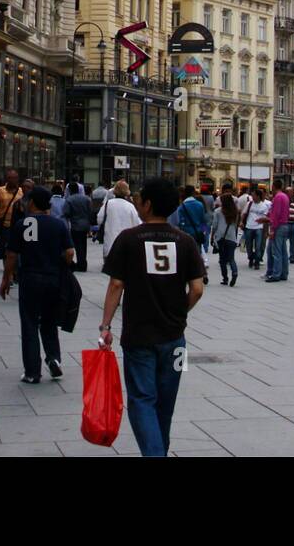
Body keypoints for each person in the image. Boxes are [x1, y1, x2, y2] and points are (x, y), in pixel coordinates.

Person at [98, 177, 206, 458]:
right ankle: (159, 450)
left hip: (139, 335)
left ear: (147, 204)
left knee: (142, 399)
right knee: (166, 402)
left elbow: (116, 285)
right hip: (176, 338)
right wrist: (179, 311)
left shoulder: (129, 239)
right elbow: (197, 289)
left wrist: (106, 325)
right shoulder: (185, 241)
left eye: (139, 198)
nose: (136, 201)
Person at [1, 186, 74, 382]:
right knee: (49, 321)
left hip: (30, 278)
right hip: (53, 278)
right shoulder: (58, 225)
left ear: (32, 203)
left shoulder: (22, 224)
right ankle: (54, 359)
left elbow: (11, 255)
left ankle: (32, 372)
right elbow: (69, 253)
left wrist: (6, 278)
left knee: (30, 323)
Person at [97, 179, 141, 259]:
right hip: (126, 245)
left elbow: (99, 219)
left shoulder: (108, 204)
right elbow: (137, 224)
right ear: (127, 191)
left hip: (110, 244)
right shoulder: (130, 206)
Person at [175, 186, 210, 283]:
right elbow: (204, 220)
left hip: (186, 233)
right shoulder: (199, 205)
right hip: (198, 233)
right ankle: (203, 273)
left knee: (185, 255)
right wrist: (206, 233)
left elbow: (180, 222)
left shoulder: (182, 206)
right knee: (198, 254)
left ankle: (187, 275)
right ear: (193, 193)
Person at [62, 180, 93, 272]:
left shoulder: (69, 200)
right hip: (85, 224)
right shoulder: (86, 199)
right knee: (83, 244)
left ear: (70, 190)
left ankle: (81, 264)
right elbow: (90, 211)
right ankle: (83, 262)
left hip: (75, 225)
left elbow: (66, 212)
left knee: (77, 245)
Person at [211, 192, 241, 286]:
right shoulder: (235, 212)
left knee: (222, 260)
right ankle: (234, 273)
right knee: (231, 258)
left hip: (221, 237)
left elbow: (215, 225)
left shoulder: (218, 211)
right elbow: (236, 224)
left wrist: (212, 236)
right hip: (232, 237)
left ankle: (225, 278)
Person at [264, 184, 292, 282]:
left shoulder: (278, 197)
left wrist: (272, 229)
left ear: (274, 187)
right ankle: (284, 273)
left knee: (276, 252)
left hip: (278, 226)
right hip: (285, 225)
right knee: (283, 251)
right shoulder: (285, 197)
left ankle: (276, 274)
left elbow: (276, 214)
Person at [242, 186, 269, 269]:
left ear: (258, 196)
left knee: (258, 246)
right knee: (248, 246)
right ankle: (250, 258)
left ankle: (257, 261)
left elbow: (265, 218)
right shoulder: (249, 204)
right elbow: (244, 213)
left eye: (253, 195)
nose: (252, 197)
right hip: (249, 227)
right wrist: (241, 222)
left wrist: (266, 230)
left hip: (259, 228)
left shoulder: (264, 206)